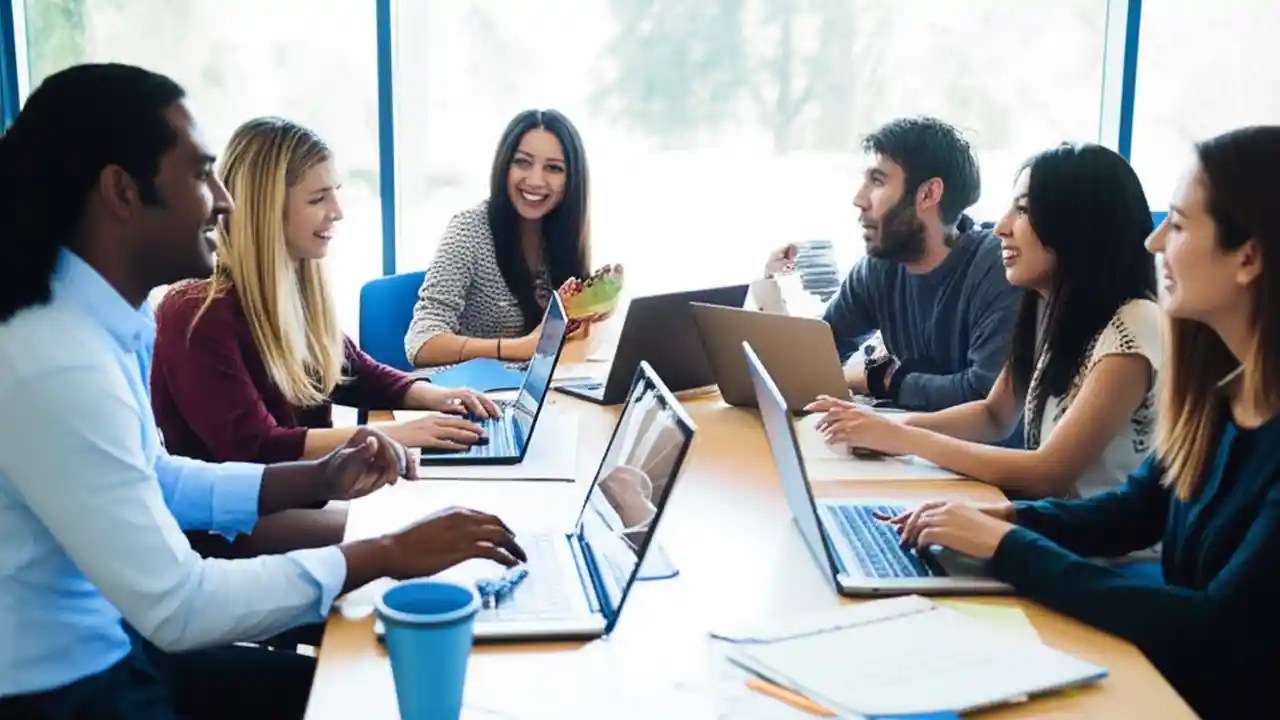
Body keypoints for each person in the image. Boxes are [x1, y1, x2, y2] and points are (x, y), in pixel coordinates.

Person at [0, 63, 525, 719]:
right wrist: (385, 553)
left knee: (364, 688)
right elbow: (179, 604)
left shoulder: (96, 323)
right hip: (72, 692)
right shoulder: (56, 361)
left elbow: (153, 477)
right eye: (200, 174)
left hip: (124, 648)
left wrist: (315, 479)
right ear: (121, 191)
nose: (223, 200)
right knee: (367, 696)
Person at [883, 126, 1280, 719]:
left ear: (1248, 256)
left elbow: (1213, 630)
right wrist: (1001, 518)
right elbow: (1134, 509)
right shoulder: (1223, 395)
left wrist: (1009, 545)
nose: (1153, 242)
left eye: (1177, 223)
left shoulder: (1144, 337)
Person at [149, 117, 499, 556]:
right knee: (422, 536)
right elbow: (254, 447)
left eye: (335, 192)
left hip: (303, 502)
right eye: (318, 198)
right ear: (265, 208)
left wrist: (433, 397)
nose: (337, 210)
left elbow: (351, 370)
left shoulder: (293, 286)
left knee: (446, 516)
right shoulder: (195, 313)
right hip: (235, 530)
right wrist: (400, 436)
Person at [807, 143, 1160, 499]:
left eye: (1022, 210)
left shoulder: (1133, 326)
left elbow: (1049, 473)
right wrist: (881, 426)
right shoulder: (1049, 310)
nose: (1001, 227)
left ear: (1079, 226)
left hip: (1096, 551)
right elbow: (993, 415)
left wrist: (905, 438)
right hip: (1047, 527)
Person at [765, 117, 1022, 413]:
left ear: (928, 194)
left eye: (877, 181)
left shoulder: (999, 267)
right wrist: (770, 289)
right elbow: (815, 357)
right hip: (908, 448)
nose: (858, 199)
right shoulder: (878, 269)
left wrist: (883, 380)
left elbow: (984, 399)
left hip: (977, 455)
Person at [405, 109, 593, 367]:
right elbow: (422, 342)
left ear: (572, 179)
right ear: (504, 166)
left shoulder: (564, 234)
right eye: (523, 162)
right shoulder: (469, 230)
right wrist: (520, 347)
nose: (536, 180)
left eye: (553, 168)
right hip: (470, 395)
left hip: (536, 393)